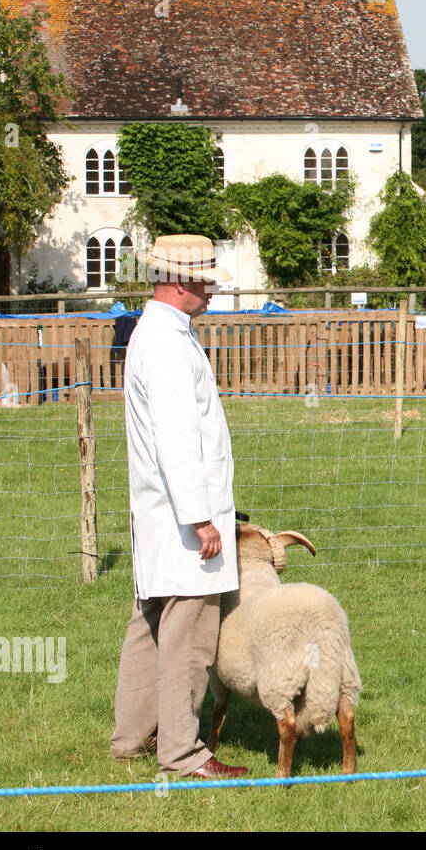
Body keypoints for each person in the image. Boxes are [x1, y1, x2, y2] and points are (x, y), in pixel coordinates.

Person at [110, 234, 247, 779]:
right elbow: (176, 437)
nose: (212, 290)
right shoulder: (166, 343)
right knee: (189, 634)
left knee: (150, 625)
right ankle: (183, 752)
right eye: (207, 280)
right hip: (181, 516)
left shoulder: (161, 333)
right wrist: (199, 516)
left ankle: (132, 736)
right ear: (182, 281)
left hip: (160, 514)